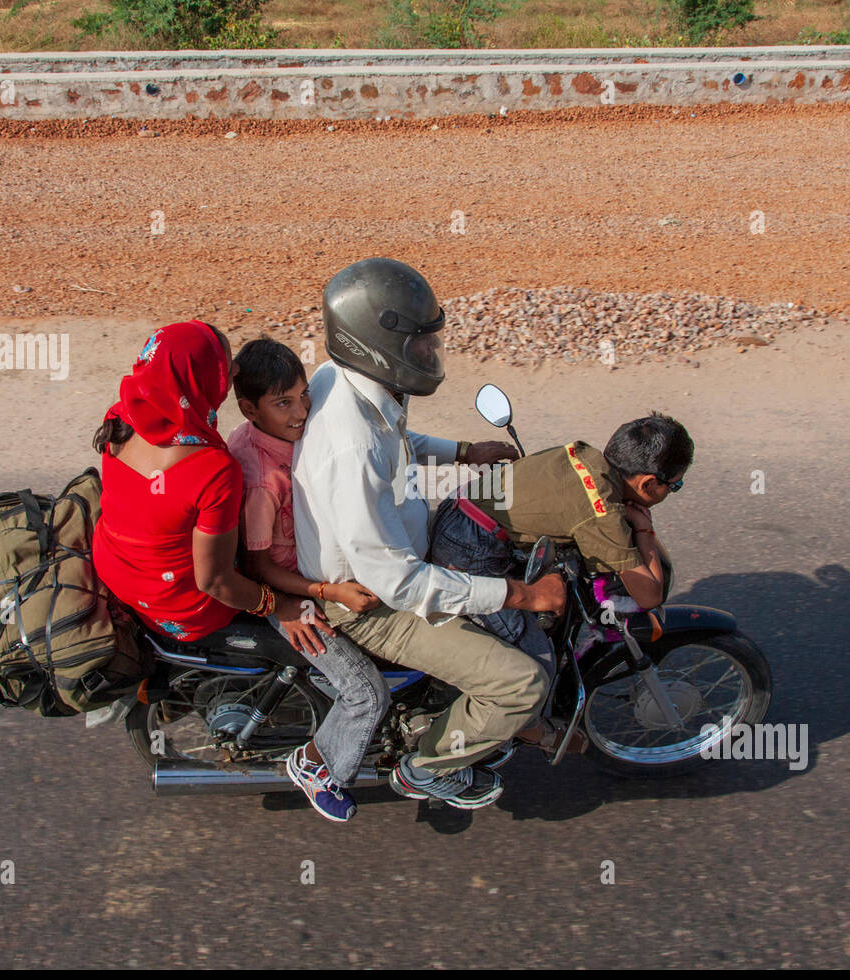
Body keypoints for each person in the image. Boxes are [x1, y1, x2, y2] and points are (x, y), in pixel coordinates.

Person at [291, 258, 566, 811]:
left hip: (399, 554)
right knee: (521, 685)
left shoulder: (343, 378)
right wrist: (522, 594)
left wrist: (465, 451)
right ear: (375, 342)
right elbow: (396, 583)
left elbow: (396, 440)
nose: (427, 354)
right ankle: (426, 768)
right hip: (373, 603)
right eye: (419, 345)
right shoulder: (351, 448)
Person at [428, 414, 691, 750]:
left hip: (462, 516)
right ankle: (525, 727)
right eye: (675, 485)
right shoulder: (602, 515)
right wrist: (643, 529)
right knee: (534, 663)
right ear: (648, 484)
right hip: (470, 551)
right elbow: (650, 594)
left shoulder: (582, 453)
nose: (672, 491)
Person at [90, 320, 333, 670]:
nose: (234, 371)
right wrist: (281, 605)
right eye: (224, 366)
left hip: (117, 573)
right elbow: (214, 581)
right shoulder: (213, 469)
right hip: (183, 610)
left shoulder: (122, 415)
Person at [226, 335, 390, 824]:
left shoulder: (285, 436)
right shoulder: (261, 479)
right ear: (249, 409)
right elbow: (258, 568)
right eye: (283, 403)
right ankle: (318, 765)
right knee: (366, 693)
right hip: (286, 592)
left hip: (312, 567)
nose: (300, 412)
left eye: (303, 396)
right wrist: (325, 593)